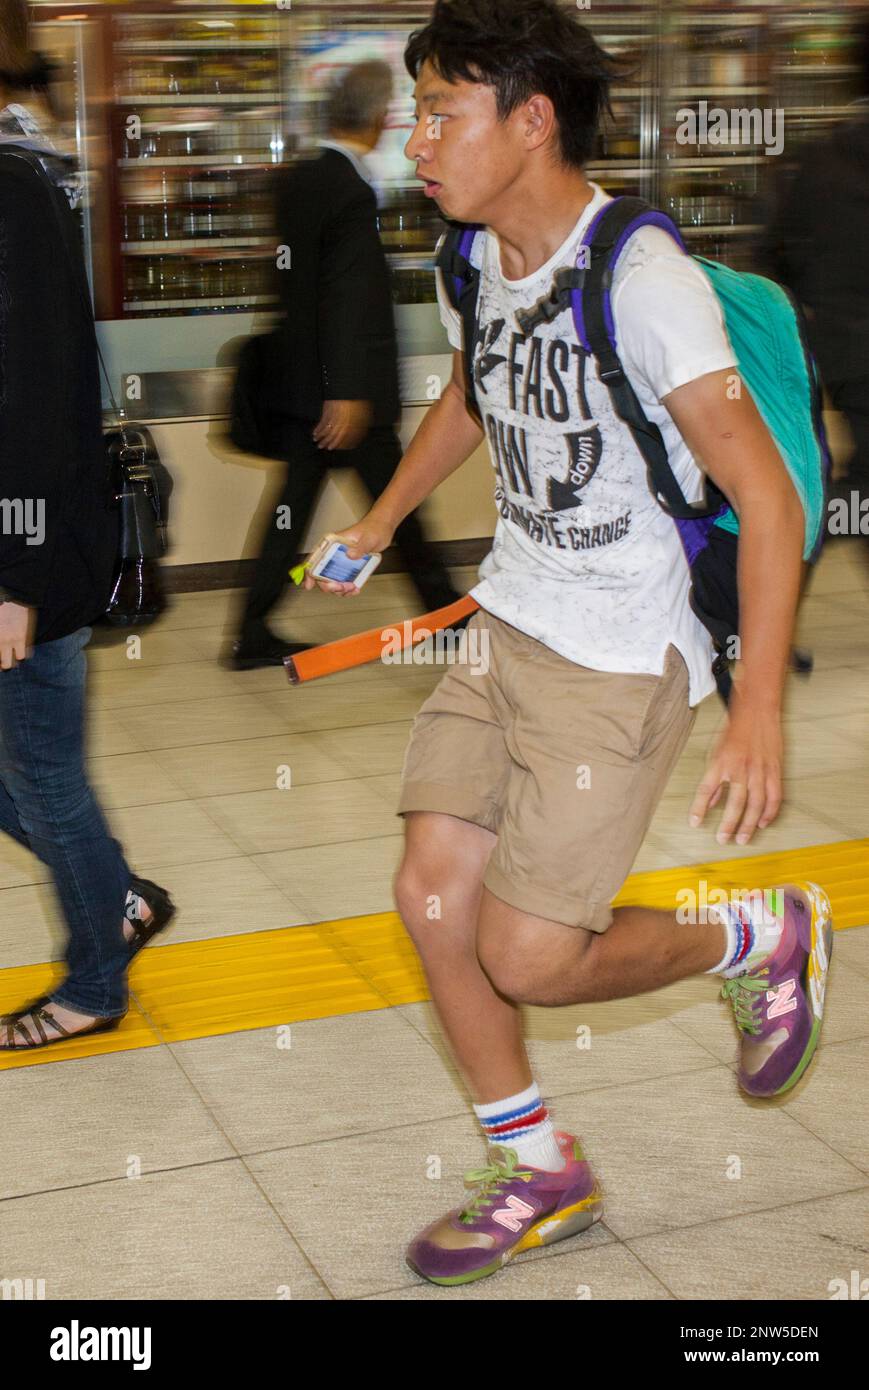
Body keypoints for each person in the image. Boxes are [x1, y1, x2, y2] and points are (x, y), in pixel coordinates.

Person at [306, 0, 834, 1287]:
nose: (416, 138)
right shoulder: (473, 254)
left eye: (444, 110)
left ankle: (756, 938)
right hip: (510, 619)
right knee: (433, 896)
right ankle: (537, 1166)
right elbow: (471, 396)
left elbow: (761, 495)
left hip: (620, 649)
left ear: (530, 120)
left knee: (529, 953)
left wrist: (753, 702)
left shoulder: (640, 282)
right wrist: (376, 519)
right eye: (417, 108)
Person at [0, 0, 174, 1051]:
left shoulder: (13, 192)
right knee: (40, 771)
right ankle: (117, 892)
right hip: (24, 542)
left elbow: (28, 401)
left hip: (25, 551)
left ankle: (97, 981)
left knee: (47, 772)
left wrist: (13, 575)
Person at [232, 59, 462, 669]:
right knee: (399, 504)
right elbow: (346, 296)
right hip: (341, 397)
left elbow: (297, 290)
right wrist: (347, 390)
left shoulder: (298, 178)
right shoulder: (351, 191)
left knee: (297, 511)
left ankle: (252, 629)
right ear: (381, 119)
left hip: (299, 386)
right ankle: (442, 613)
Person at [760, 11, 869, 524]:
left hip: (843, 349)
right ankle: (818, 526)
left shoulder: (820, 156)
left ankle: (814, 525)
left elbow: (774, 253)